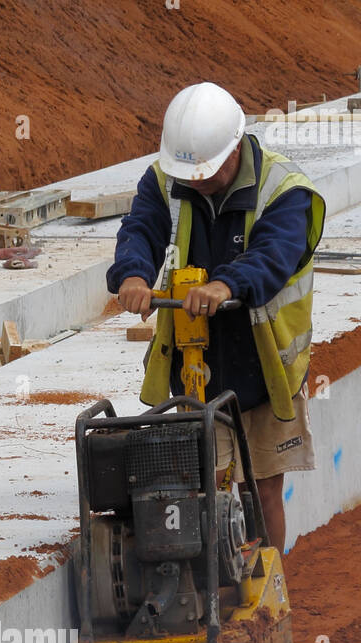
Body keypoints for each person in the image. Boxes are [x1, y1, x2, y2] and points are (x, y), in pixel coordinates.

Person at [108, 81, 326, 553]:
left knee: (262, 487)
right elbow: (141, 227)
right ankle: (214, 588)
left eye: (205, 171)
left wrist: (226, 285)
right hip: (194, 365)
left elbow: (274, 255)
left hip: (265, 371)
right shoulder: (167, 179)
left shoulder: (285, 191)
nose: (196, 181)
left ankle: (267, 591)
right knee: (202, 485)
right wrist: (132, 275)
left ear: (235, 149)